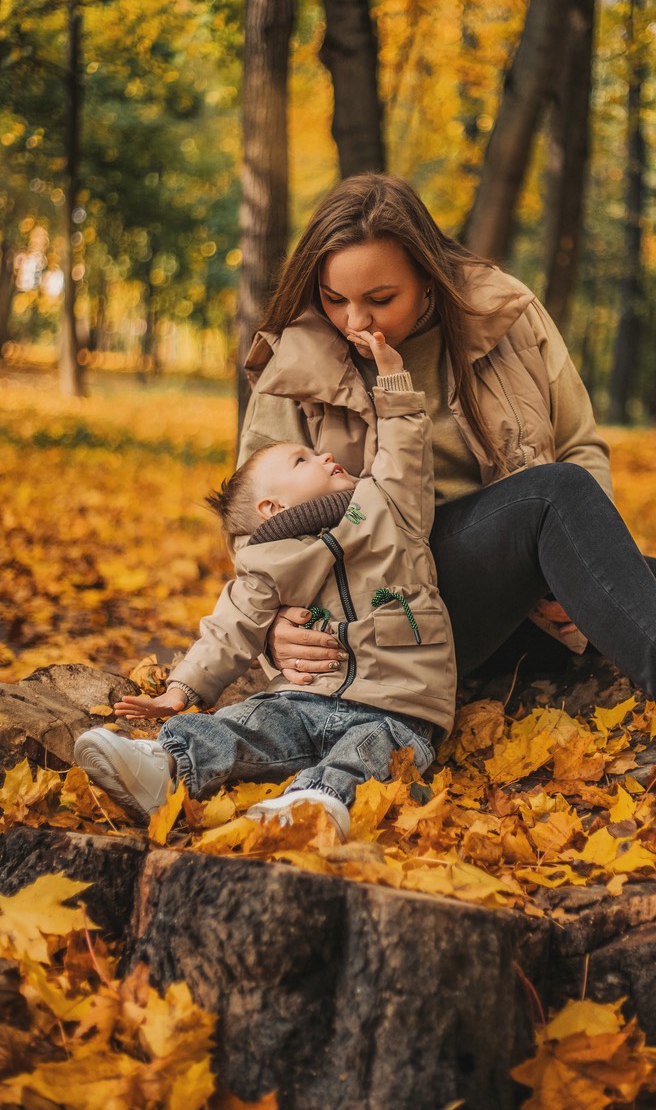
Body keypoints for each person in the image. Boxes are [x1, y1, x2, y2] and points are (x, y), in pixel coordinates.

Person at [235, 173, 656, 811]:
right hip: (383, 617)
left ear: (429, 276)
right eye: (335, 299)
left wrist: (568, 575)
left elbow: (580, 443)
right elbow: (254, 515)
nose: (354, 320)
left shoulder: (504, 316)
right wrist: (274, 622)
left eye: (380, 297)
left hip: (508, 593)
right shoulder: (295, 360)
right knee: (550, 494)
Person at [74, 329, 454, 840]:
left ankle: (319, 801)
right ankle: (164, 765)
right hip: (302, 700)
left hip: (397, 703)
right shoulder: (266, 562)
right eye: (302, 460)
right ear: (272, 509)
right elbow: (229, 629)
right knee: (246, 722)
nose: (322, 456)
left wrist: (392, 377)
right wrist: (180, 691)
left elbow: (406, 447)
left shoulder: (387, 506)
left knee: (373, 752)